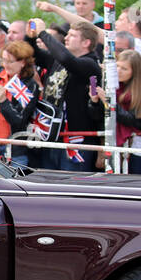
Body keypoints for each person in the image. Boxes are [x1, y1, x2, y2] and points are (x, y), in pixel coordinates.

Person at [30, 21, 102, 171]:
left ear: (86, 42)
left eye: (73, 35)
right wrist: (30, 36)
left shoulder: (90, 64)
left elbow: (68, 60)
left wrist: (44, 34)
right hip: (53, 135)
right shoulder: (57, 59)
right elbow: (33, 53)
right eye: (67, 34)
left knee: (72, 188)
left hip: (76, 140)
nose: (66, 38)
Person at [91, 49, 141, 174]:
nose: (119, 71)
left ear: (134, 72)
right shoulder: (108, 85)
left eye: (124, 69)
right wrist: (94, 102)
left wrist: (109, 102)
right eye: (117, 66)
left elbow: (134, 120)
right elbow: (96, 118)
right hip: (110, 142)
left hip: (135, 145)